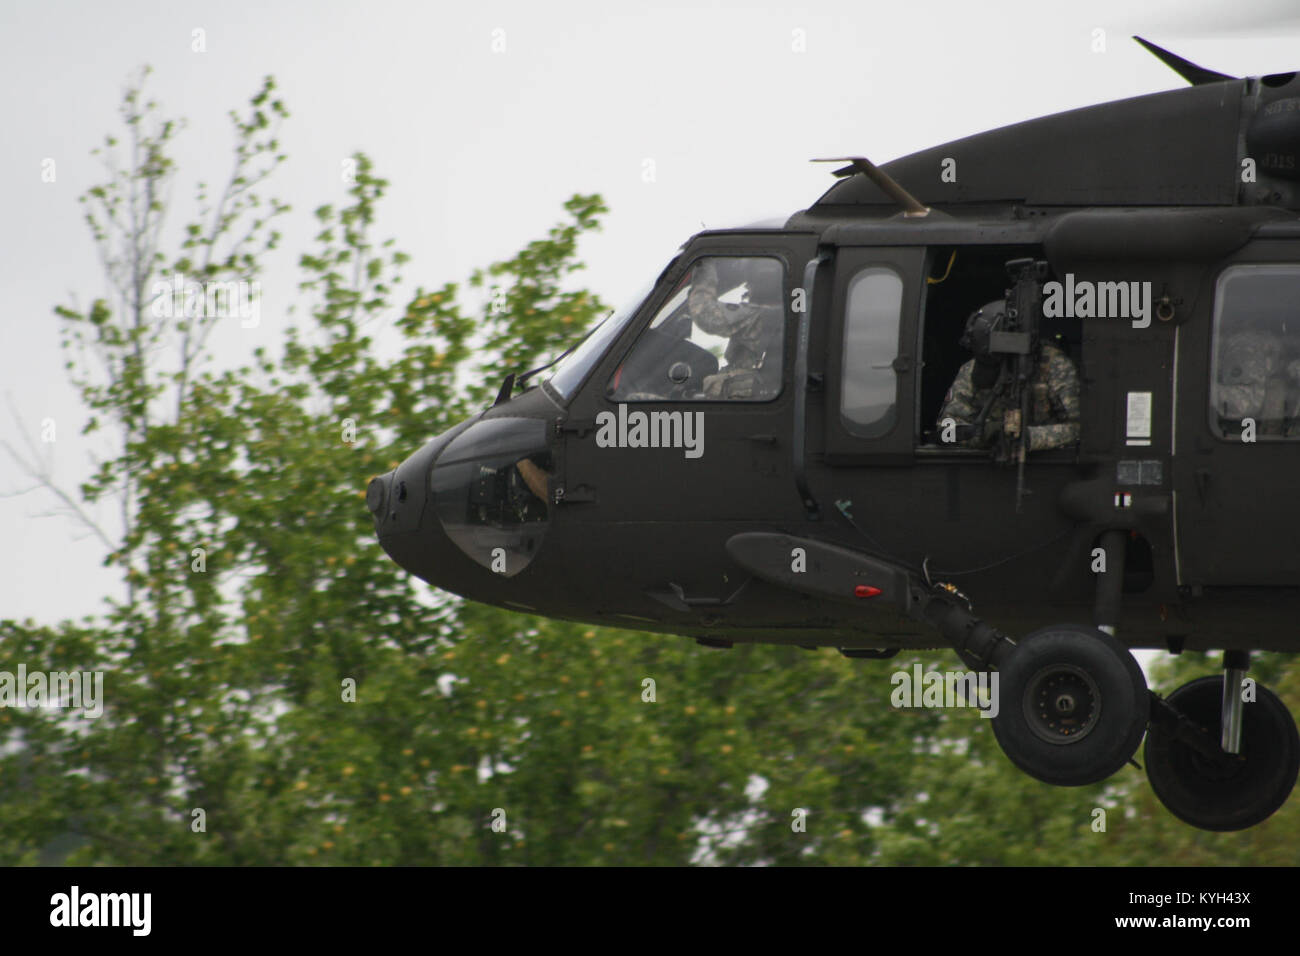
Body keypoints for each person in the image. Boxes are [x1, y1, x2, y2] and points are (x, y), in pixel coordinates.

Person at [937, 300, 1080, 452]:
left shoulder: (1055, 367)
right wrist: (984, 434)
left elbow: (1078, 429)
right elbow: (946, 432)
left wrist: (1029, 438)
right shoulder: (971, 369)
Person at [688, 258, 785, 400]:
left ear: (762, 283)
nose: (747, 292)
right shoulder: (784, 317)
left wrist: (704, 264)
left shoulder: (758, 317)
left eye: (749, 286)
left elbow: (704, 312)